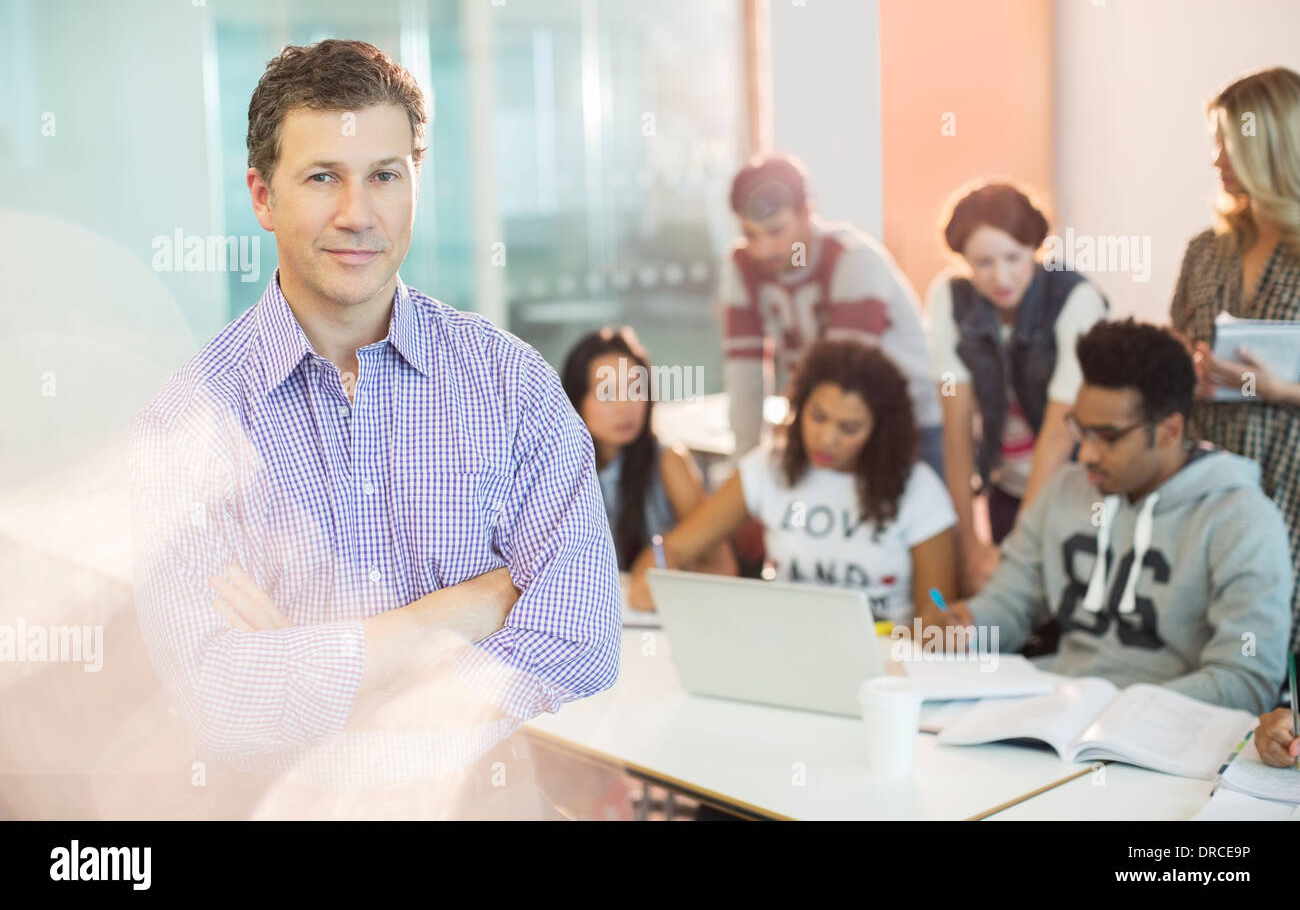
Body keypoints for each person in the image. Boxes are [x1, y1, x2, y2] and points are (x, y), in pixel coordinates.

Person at [127, 40, 621, 802]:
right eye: (323, 177)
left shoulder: (510, 385)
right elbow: (220, 699)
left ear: (415, 185)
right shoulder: (189, 427)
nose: (357, 215)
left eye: (384, 176)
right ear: (262, 196)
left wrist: (309, 672)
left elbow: (580, 633)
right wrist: (451, 616)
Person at [919, 319, 1291, 714]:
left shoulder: (1242, 520)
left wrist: (1119, 709)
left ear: (1168, 430)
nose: (1089, 454)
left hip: (1161, 735)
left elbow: (1246, 679)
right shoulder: (1066, 488)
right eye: (1082, 430)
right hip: (1053, 713)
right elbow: (1012, 602)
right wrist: (968, 628)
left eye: (1109, 437)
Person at [627, 338, 958, 625]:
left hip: (883, 653)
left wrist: (936, 618)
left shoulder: (919, 490)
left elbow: (938, 603)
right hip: (783, 643)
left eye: (849, 428)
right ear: (799, 407)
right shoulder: (769, 467)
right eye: (818, 417)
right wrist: (651, 574)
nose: (827, 439)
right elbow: (674, 547)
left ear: (879, 431)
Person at [1170, 66, 1300, 655]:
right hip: (1209, 480)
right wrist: (1185, 373)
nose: (1216, 159)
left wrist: (1280, 389)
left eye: (1230, 142)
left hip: (1288, 484)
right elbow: (1175, 348)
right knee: (1203, 646)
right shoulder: (1206, 250)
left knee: (1273, 658)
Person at [927, 181, 1107, 596]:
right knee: (996, 602)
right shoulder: (949, 299)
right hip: (1004, 486)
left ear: (1035, 248)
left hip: (1073, 487)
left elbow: (1062, 429)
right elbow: (955, 429)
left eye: (1014, 257)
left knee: (1056, 600)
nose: (1000, 276)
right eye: (983, 262)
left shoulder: (1074, 297)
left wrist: (1016, 550)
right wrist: (970, 543)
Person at [721, 154, 943, 476]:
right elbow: (744, 374)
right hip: (838, 423)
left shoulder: (853, 259)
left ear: (807, 213)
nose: (763, 249)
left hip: (911, 423)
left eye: (775, 231)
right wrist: (744, 469)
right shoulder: (741, 266)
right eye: (750, 235)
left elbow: (842, 380)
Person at [560, 326, 736, 576]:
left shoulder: (669, 462)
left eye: (635, 389)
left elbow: (721, 566)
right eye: (608, 393)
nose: (625, 407)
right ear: (577, 400)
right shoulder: (557, 467)